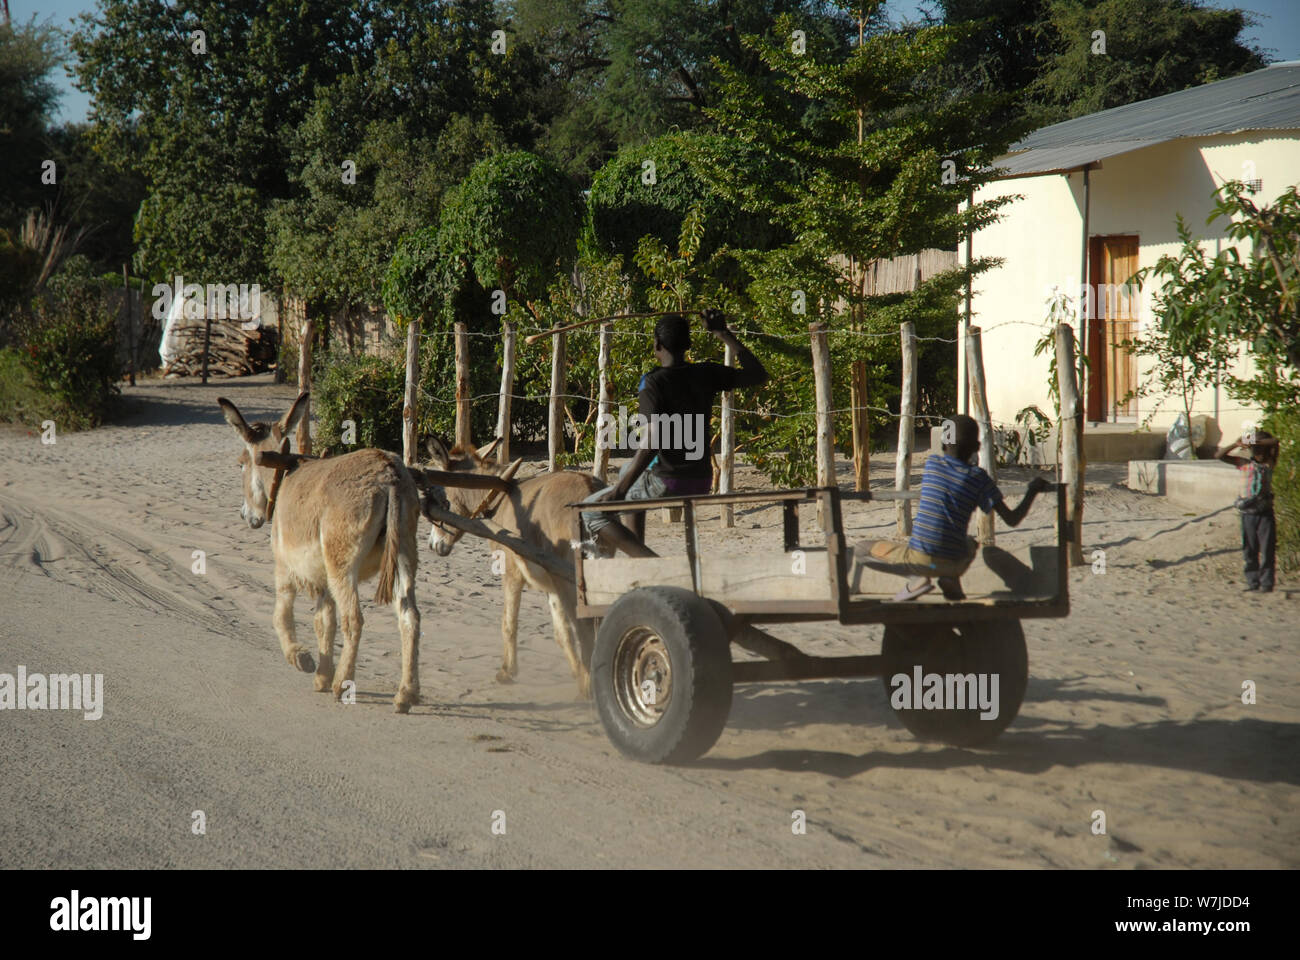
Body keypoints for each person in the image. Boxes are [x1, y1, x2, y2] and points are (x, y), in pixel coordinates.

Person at [581, 309, 768, 558]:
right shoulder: (706, 373)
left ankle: (649, 564)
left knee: (590, 511)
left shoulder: (653, 382)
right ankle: (640, 557)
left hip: (668, 481)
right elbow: (758, 374)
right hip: (701, 478)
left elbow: (652, 442)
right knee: (627, 471)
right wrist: (723, 334)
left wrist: (620, 492)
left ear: (657, 345)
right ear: (688, 345)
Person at [855, 414, 1051, 600]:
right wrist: (1031, 491)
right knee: (971, 543)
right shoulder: (979, 478)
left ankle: (916, 580)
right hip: (954, 564)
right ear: (977, 447)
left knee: (861, 548)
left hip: (919, 561)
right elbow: (1012, 519)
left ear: (943, 443)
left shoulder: (932, 464)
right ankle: (950, 578)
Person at [1218, 430, 1279, 592]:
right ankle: (1253, 582)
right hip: (1247, 514)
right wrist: (1237, 443)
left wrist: (1254, 441)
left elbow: (1274, 441)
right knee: (1249, 550)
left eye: (1259, 448)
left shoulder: (1269, 463)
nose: (1256, 451)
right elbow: (1220, 455)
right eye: (1254, 448)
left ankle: (1266, 583)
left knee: (1267, 550)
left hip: (1265, 514)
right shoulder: (1243, 463)